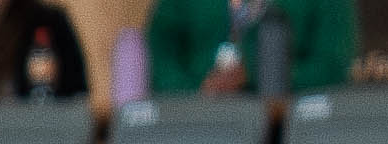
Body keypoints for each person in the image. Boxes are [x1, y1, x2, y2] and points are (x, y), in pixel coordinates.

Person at [144, 0, 352, 96]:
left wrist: (255, 75)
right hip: (198, 130)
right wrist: (199, 90)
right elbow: (160, 60)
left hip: (291, 131)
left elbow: (332, 66)